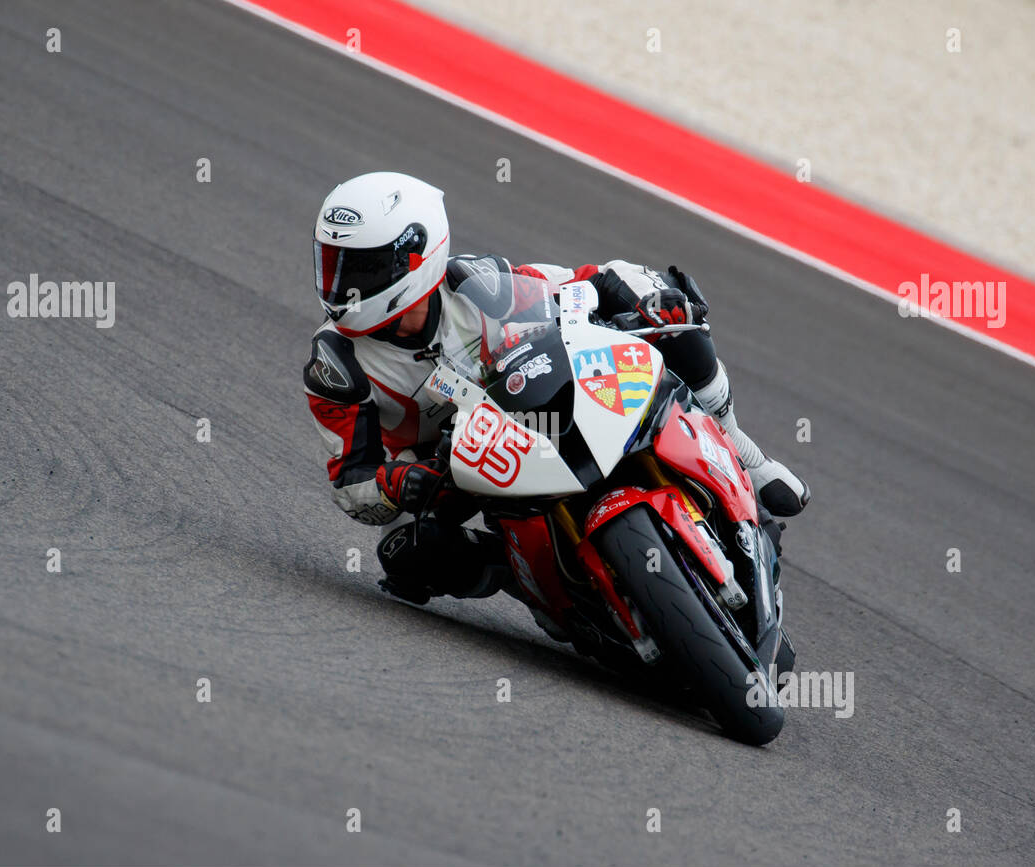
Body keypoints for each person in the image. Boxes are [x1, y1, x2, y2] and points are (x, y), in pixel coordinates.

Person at [304, 172, 809, 603]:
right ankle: (528, 581)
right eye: (334, 264)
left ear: (415, 258)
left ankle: (744, 457)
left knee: (677, 327)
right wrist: (398, 483)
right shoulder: (336, 363)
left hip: (539, 406)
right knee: (408, 558)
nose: (341, 282)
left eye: (359, 267)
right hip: (449, 470)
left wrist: (651, 296)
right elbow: (350, 482)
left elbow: (590, 281)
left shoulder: (478, 283)